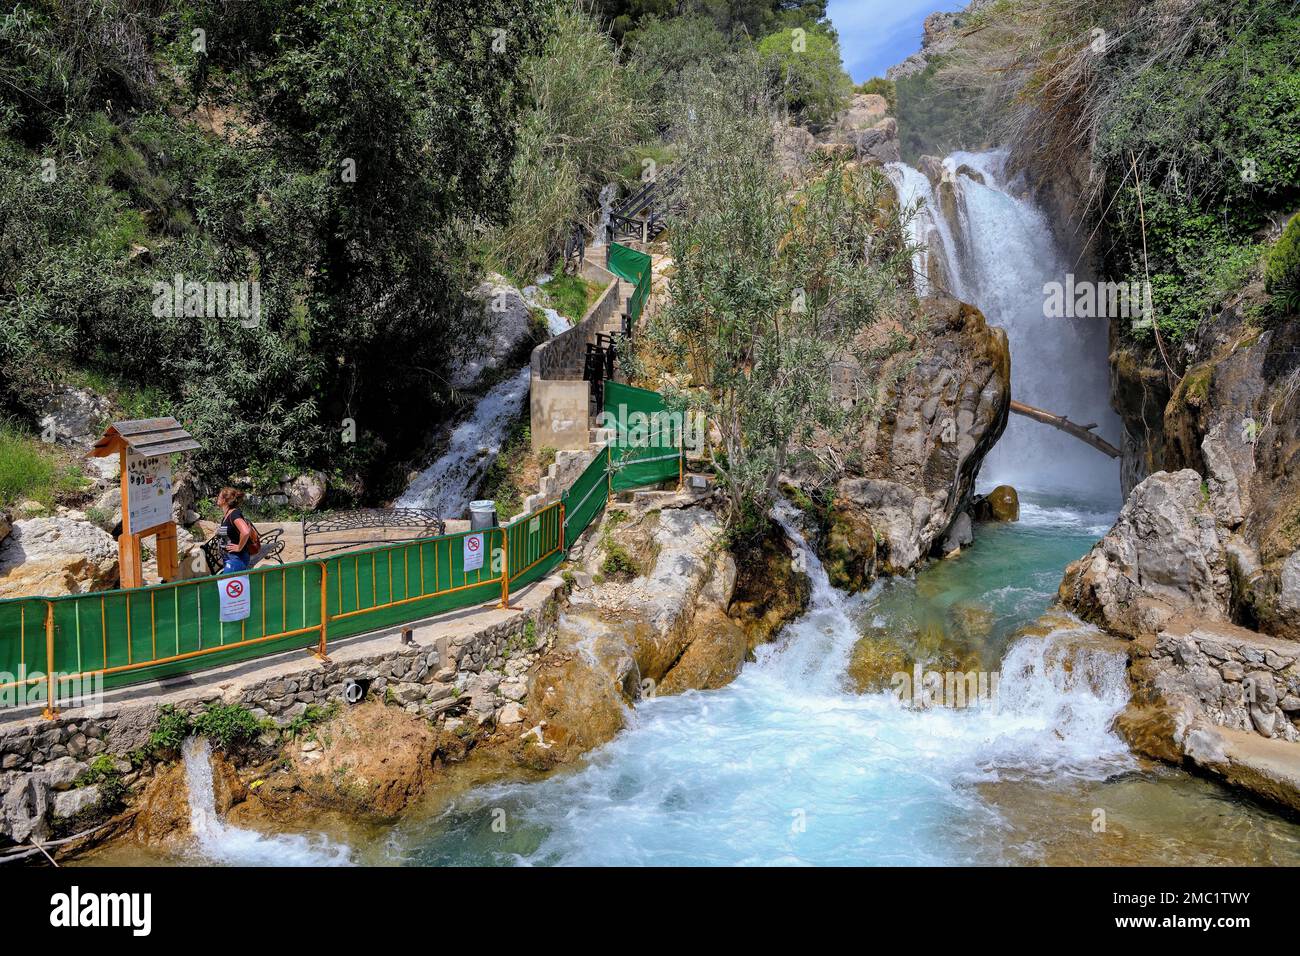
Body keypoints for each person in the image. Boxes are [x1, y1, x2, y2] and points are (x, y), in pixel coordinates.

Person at [216, 487, 254, 573]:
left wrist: (239, 547)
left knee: (227, 583)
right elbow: (230, 532)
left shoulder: (234, 514)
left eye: (219, 496)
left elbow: (245, 531)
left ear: (225, 500)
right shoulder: (227, 515)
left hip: (236, 558)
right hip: (230, 557)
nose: (217, 498)